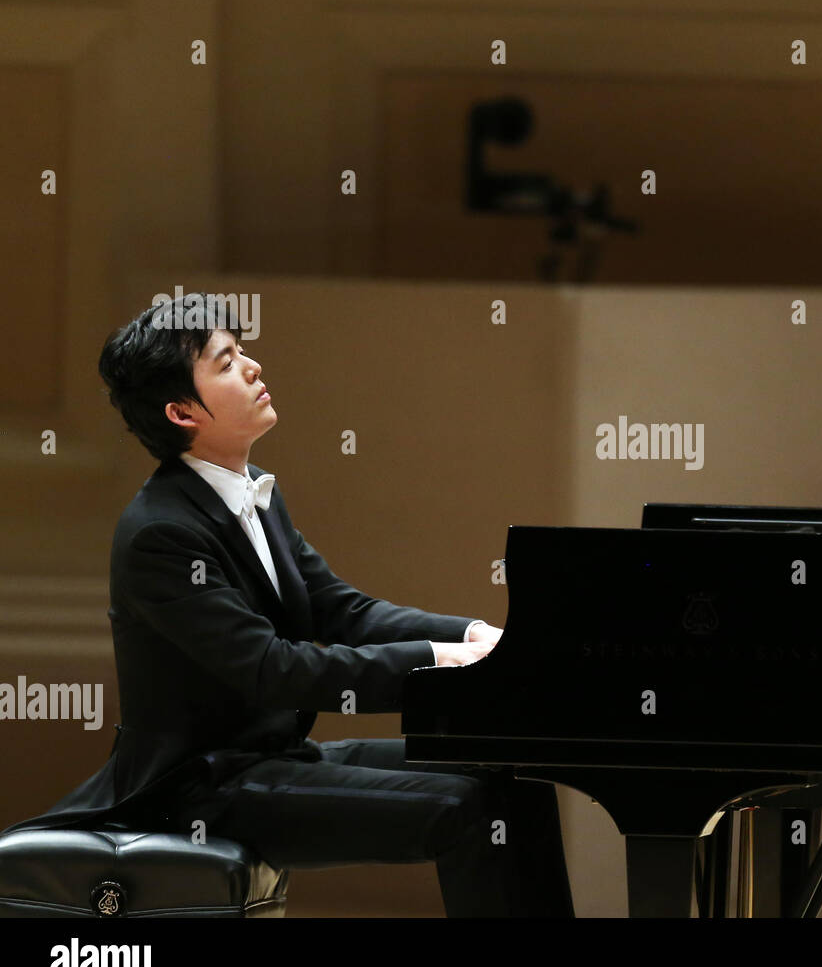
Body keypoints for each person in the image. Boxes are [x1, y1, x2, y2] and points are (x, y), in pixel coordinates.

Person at [0, 293, 573, 917]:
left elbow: (344, 611)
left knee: (511, 772)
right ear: (181, 411)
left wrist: (476, 634)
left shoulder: (255, 496)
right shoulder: (160, 535)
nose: (253, 368)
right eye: (226, 363)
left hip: (272, 761)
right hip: (202, 787)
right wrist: (442, 664)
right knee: (464, 810)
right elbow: (274, 671)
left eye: (243, 352)